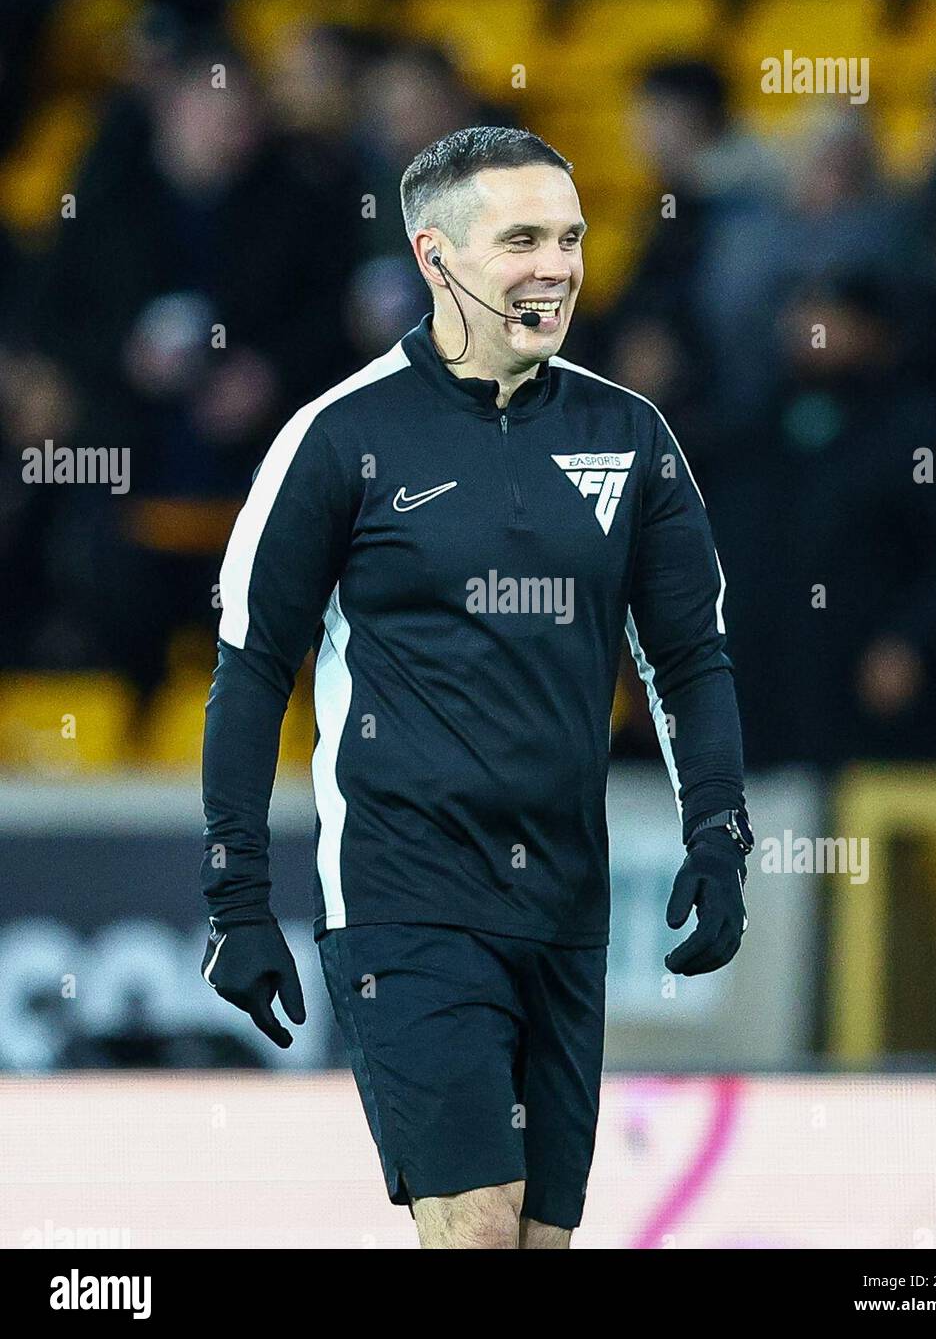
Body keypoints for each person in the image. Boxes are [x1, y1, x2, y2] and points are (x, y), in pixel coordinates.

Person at [199, 127, 752, 1249]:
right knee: (478, 1228)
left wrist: (719, 838)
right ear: (437, 257)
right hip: (405, 896)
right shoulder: (338, 438)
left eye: (570, 238)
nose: (555, 265)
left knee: (537, 1244)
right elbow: (253, 670)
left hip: (564, 902)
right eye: (521, 241)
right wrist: (236, 899)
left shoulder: (629, 436)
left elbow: (688, 657)